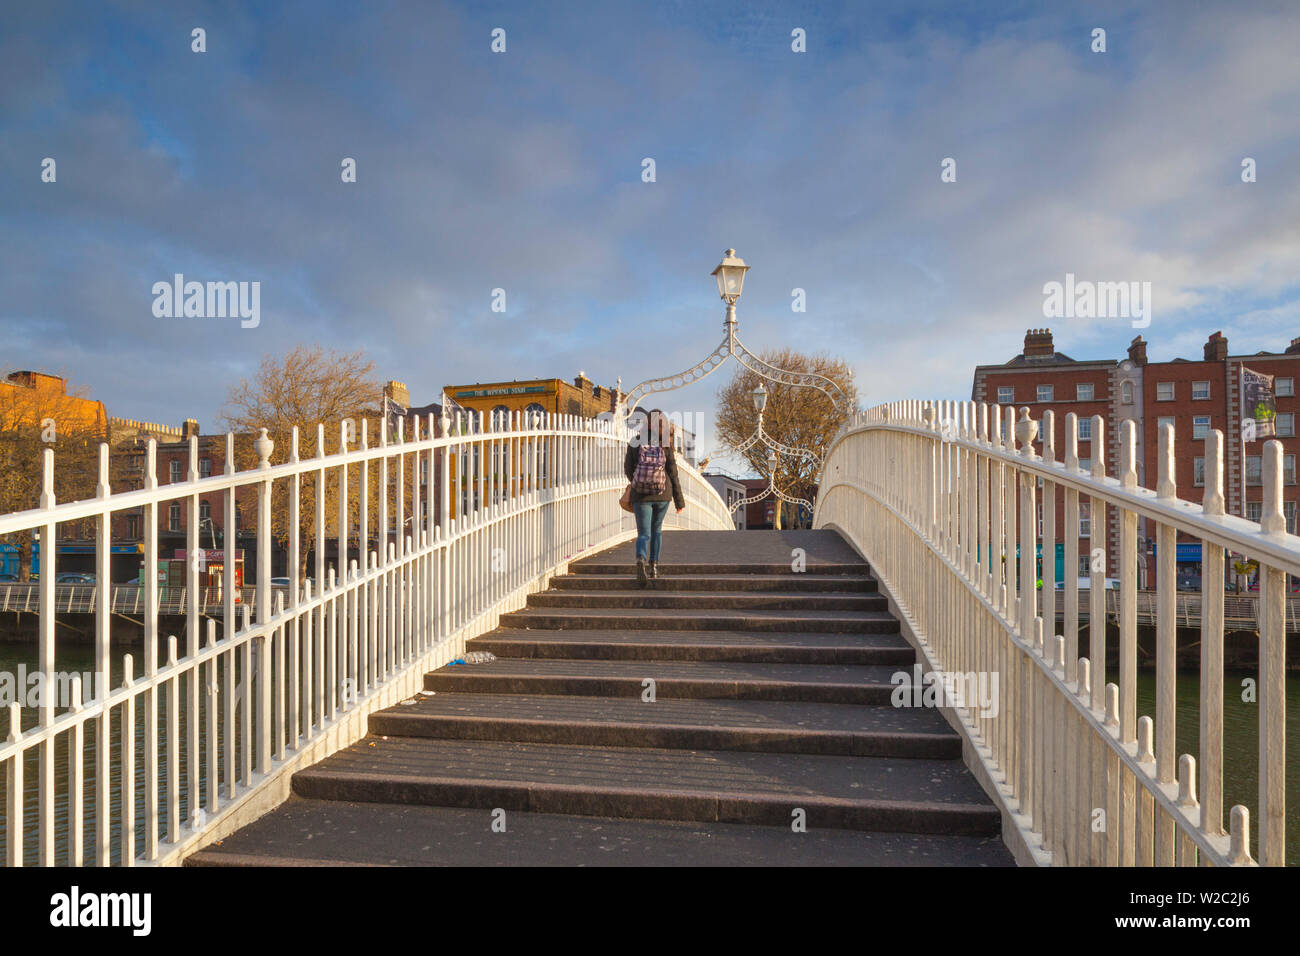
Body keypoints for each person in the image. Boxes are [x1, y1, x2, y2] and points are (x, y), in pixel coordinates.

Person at [624, 408, 685, 586]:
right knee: (656, 530)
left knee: (643, 533)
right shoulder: (665, 443)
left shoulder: (635, 442)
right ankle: (654, 567)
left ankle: (640, 560)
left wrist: (638, 482)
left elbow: (628, 469)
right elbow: (673, 474)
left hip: (641, 495)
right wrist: (679, 501)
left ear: (646, 423)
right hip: (662, 494)